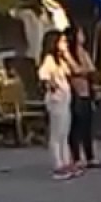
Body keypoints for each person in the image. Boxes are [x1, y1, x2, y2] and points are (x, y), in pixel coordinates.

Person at [38, 31, 78, 180]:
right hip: (56, 98)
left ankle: (66, 161)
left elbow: (74, 70)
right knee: (57, 133)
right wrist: (52, 85)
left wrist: (67, 54)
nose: (65, 44)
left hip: (65, 98)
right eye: (62, 42)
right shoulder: (49, 59)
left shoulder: (60, 60)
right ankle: (58, 164)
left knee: (64, 132)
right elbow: (43, 75)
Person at [65, 26, 101, 169]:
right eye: (80, 33)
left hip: (86, 91)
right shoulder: (68, 54)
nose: (83, 36)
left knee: (87, 126)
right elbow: (75, 70)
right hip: (74, 92)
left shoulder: (83, 52)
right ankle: (76, 157)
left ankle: (90, 156)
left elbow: (90, 70)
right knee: (75, 127)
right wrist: (83, 71)